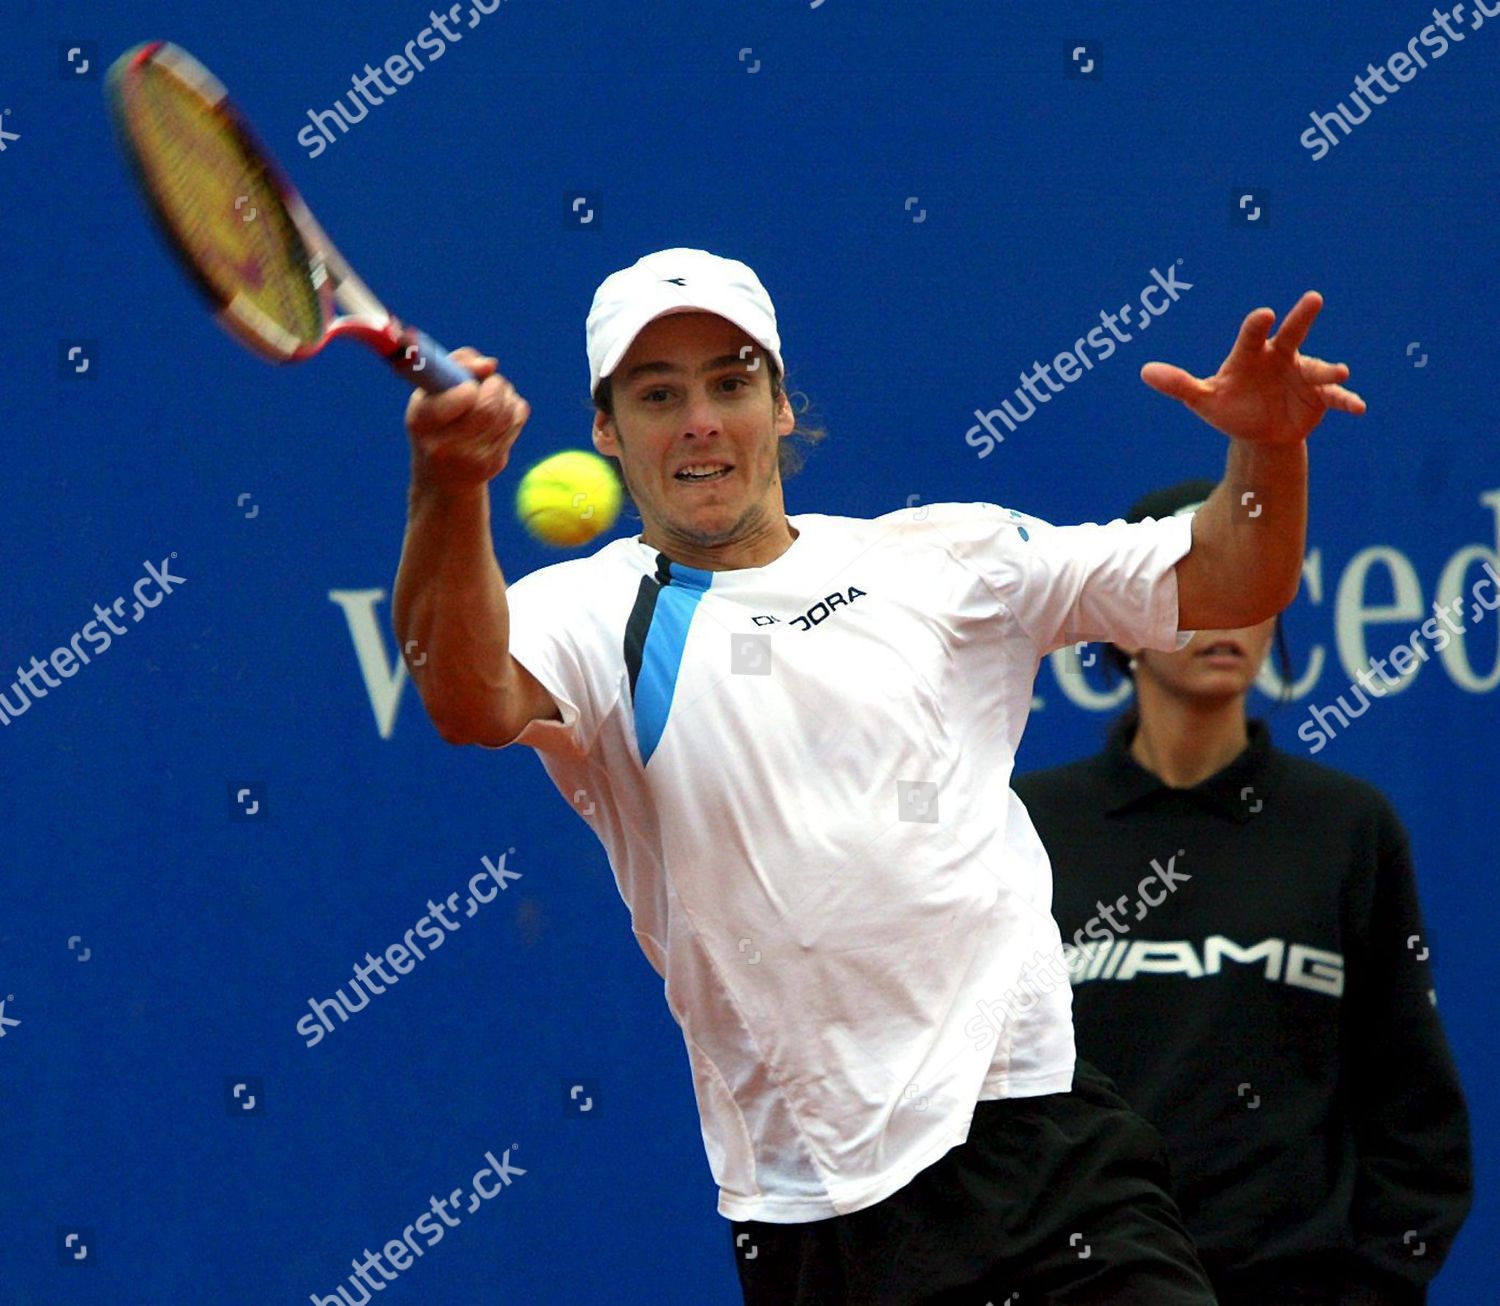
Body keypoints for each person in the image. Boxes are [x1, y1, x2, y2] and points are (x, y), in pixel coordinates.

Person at [391, 246, 1365, 1303]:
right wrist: (450, 484)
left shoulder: (945, 558)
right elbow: (464, 696)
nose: (701, 421)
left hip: (1039, 1145)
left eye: (730, 383)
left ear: (778, 405)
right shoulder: (589, 614)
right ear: (608, 431)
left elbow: (1232, 576)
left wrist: (1269, 450)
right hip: (810, 1207)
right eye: (658, 395)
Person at [1012, 479, 1473, 1306]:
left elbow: (1415, 1114)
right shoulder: (1028, 828)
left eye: (1250, 583)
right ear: (1124, 617)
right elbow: (983, 1105)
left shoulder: (1346, 827)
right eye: (1200, 584)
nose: (1230, 613)